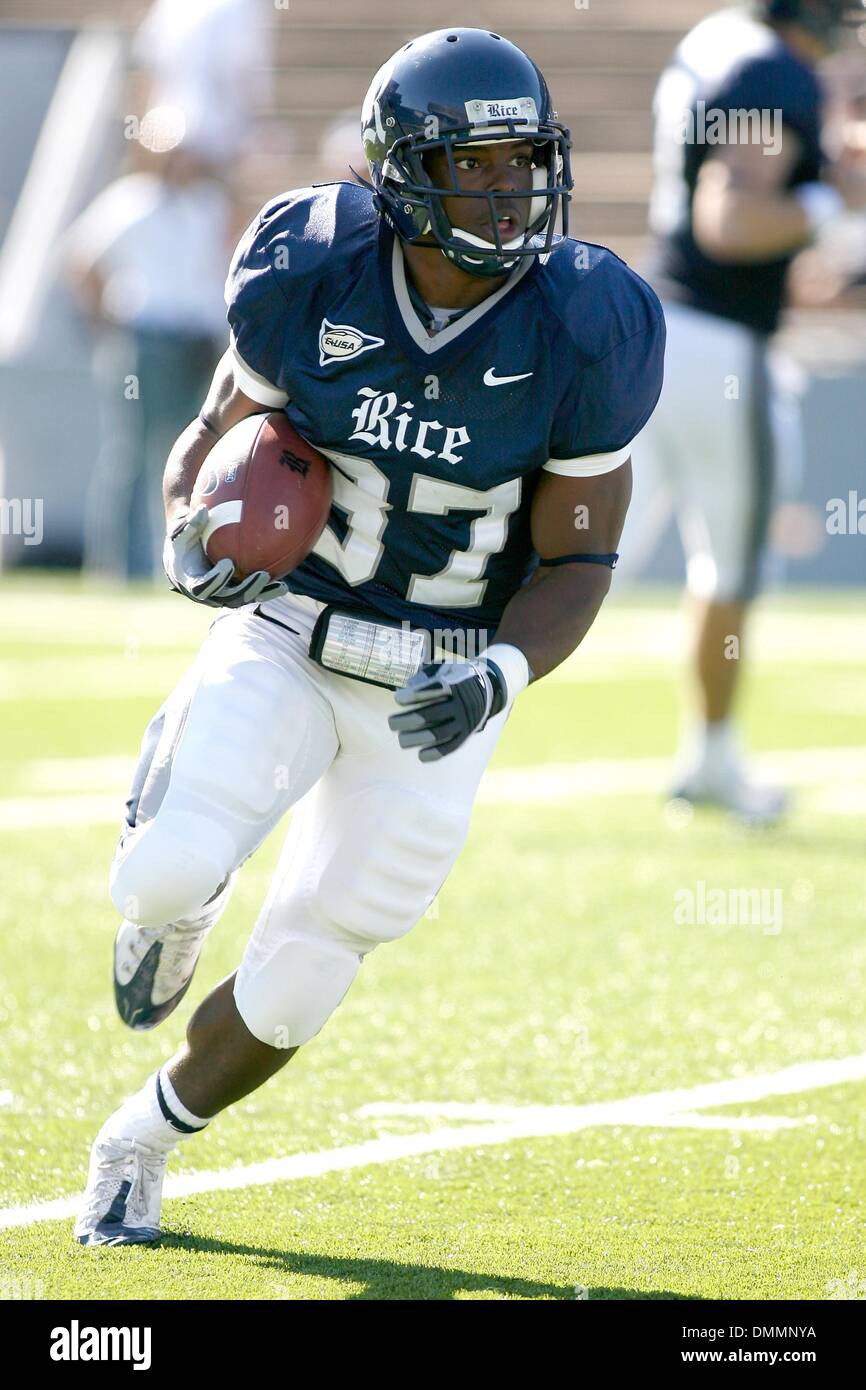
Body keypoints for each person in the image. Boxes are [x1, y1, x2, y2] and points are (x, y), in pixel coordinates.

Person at [74, 28, 665, 1246]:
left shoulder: (584, 320)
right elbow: (218, 433)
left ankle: (139, 1135)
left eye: (523, 162)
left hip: (436, 679)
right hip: (292, 626)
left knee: (303, 978)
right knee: (161, 874)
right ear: (398, 174)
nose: (508, 194)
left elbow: (576, 559)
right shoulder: (313, 263)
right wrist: (194, 520)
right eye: (476, 165)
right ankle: (181, 867)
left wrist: (497, 675)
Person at [624, 0, 864, 821]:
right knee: (730, 569)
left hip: (656, 335)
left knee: (590, 557)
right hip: (721, 348)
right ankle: (714, 757)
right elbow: (728, 219)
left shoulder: (718, 43)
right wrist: (831, 211)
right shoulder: (771, 70)